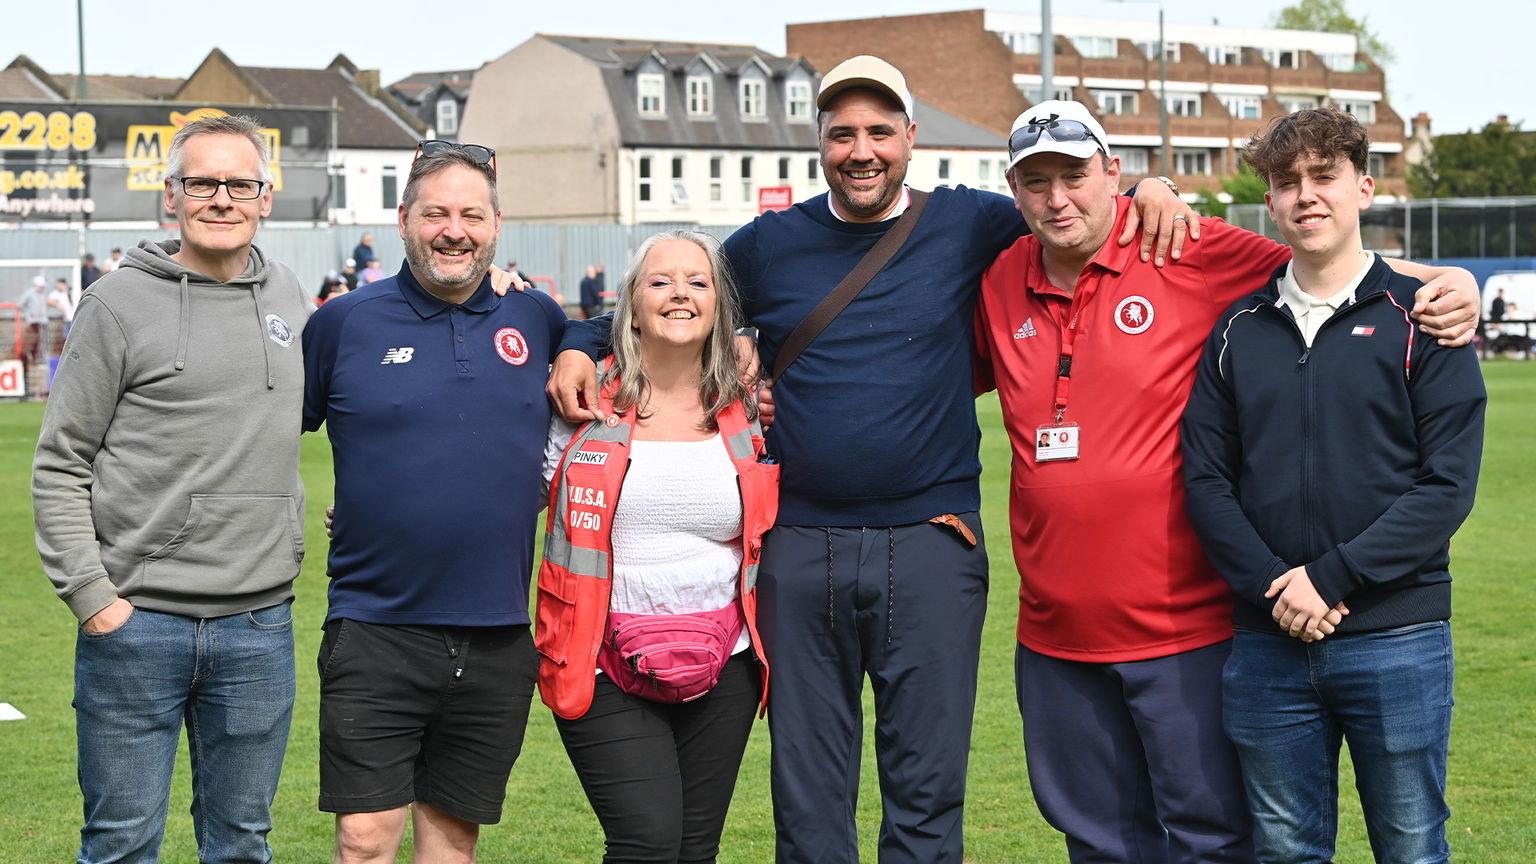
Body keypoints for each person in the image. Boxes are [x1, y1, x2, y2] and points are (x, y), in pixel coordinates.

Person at [550, 55, 1200, 864]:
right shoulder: (767, 245)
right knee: (809, 794)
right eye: (843, 133)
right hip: (800, 545)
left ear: (910, 138)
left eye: (880, 132)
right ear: (818, 143)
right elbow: (665, 293)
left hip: (932, 540)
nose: (863, 149)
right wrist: (579, 343)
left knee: (927, 792)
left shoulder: (967, 223)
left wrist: (1150, 190)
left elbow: (1069, 202)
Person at [972, 100, 1480, 864]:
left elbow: (1324, 258)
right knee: (1108, 842)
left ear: (1113, 172)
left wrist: (1449, 280)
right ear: (1013, 191)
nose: (1056, 198)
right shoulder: (1001, 273)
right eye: (1034, 181)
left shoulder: (1183, 243)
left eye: (1075, 175)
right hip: (1057, 633)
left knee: (1259, 840)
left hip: (1190, 627)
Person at [1181, 108, 1485, 864]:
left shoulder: (1425, 321)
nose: (1306, 196)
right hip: (1267, 640)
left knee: (1411, 849)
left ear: (1364, 187)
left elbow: (1446, 487)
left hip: (1398, 636)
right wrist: (1275, 590)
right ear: (1272, 201)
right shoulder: (1235, 330)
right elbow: (1207, 481)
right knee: (1284, 852)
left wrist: (1330, 579)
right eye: (1288, 183)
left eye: (1324, 177)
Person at [32, 113, 308, 864]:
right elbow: (61, 463)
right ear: (172, 195)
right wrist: (95, 599)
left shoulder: (291, 296)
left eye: (239, 183)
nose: (222, 198)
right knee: (121, 846)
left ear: (266, 197)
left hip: (259, 628)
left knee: (243, 846)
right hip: (137, 627)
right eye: (203, 182)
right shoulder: (115, 304)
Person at [302, 140, 566, 864]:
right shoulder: (343, 323)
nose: (455, 230)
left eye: (472, 215)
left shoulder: (539, 319)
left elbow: (609, 338)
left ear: (497, 225)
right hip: (376, 624)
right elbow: (261, 437)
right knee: (363, 840)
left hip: (498, 631)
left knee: (452, 842)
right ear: (403, 220)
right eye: (437, 214)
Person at [537, 229, 777, 863]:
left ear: (721, 305)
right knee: (645, 840)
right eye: (660, 281)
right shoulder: (582, 401)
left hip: (725, 658)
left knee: (695, 850)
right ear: (630, 303)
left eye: (698, 282)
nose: (680, 294)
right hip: (599, 655)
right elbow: (504, 504)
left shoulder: (747, 405)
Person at [17, 275, 49, 363]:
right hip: (34, 321)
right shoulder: (29, 293)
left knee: (43, 340)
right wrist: (29, 316)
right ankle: (36, 357)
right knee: (36, 340)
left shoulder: (42, 294)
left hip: (42, 320)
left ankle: (41, 356)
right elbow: (20, 305)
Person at [48, 277, 75, 346]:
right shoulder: (57, 293)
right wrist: (58, 305)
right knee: (66, 337)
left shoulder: (72, 290)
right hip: (67, 319)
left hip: (76, 318)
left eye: (59, 285)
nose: (58, 286)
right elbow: (49, 300)